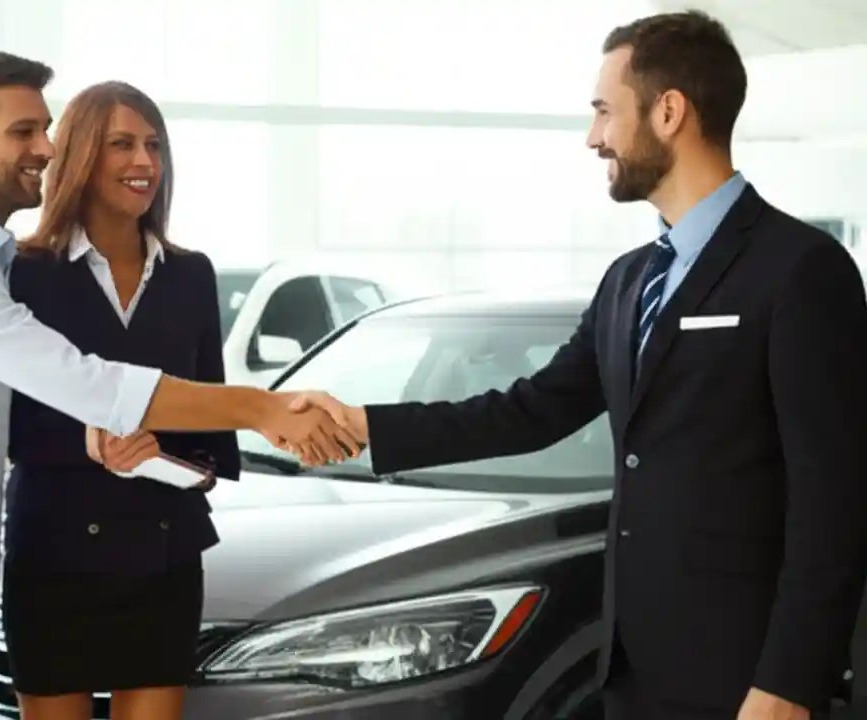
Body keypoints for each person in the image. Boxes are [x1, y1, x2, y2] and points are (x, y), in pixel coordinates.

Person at [290, 11, 867, 720]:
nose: (593, 137)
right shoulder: (628, 281)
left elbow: (834, 503)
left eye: (603, 111)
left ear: (668, 111)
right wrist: (365, 426)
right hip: (631, 671)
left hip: (747, 679)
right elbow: (532, 408)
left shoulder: (802, 270)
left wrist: (789, 682)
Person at [0, 52, 356, 720]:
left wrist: (177, 456)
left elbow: (198, 449)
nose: (44, 150)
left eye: (46, 131)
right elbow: (77, 387)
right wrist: (264, 407)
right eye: (24, 132)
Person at [0, 80, 238, 720]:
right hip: (54, 554)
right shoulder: (25, 272)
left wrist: (178, 460)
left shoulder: (191, 275)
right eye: (122, 145)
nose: (145, 163)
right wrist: (92, 441)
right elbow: (3, 422)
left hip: (164, 559)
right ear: (79, 156)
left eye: (154, 145)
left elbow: (213, 429)